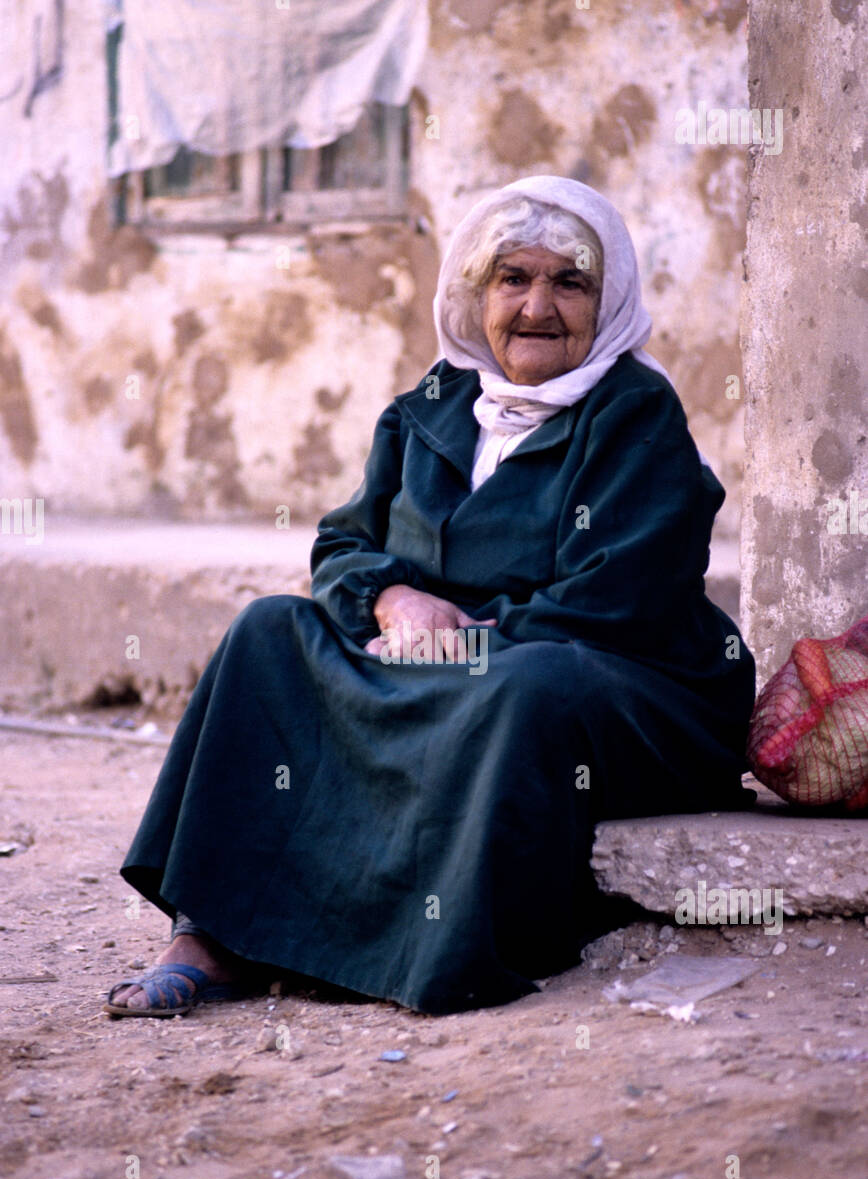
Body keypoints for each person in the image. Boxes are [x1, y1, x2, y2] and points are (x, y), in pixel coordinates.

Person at [107, 174, 756, 1020]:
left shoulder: (635, 414)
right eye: (512, 279)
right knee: (269, 631)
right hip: (432, 658)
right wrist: (391, 603)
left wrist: (459, 640)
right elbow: (344, 545)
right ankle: (211, 931)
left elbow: (616, 598)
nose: (537, 307)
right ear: (476, 292)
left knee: (524, 685)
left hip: (613, 680)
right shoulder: (436, 404)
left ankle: (430, 950)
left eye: (570, 282)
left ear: (608, 302)